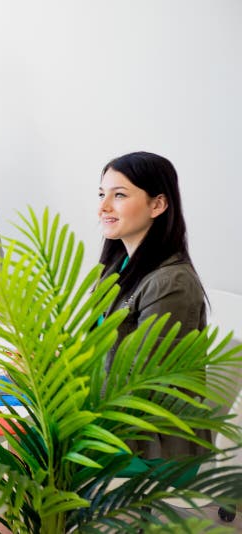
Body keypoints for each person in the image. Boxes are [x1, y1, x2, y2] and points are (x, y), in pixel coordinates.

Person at [98, 151, 207, 460]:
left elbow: (139, 384)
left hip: (148, 445)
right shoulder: (118, 267)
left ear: (157, 204)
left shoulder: (171, 284)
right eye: (102, 194)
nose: (103, 207)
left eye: (119, 195)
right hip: (107, 423)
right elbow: (95, 351)